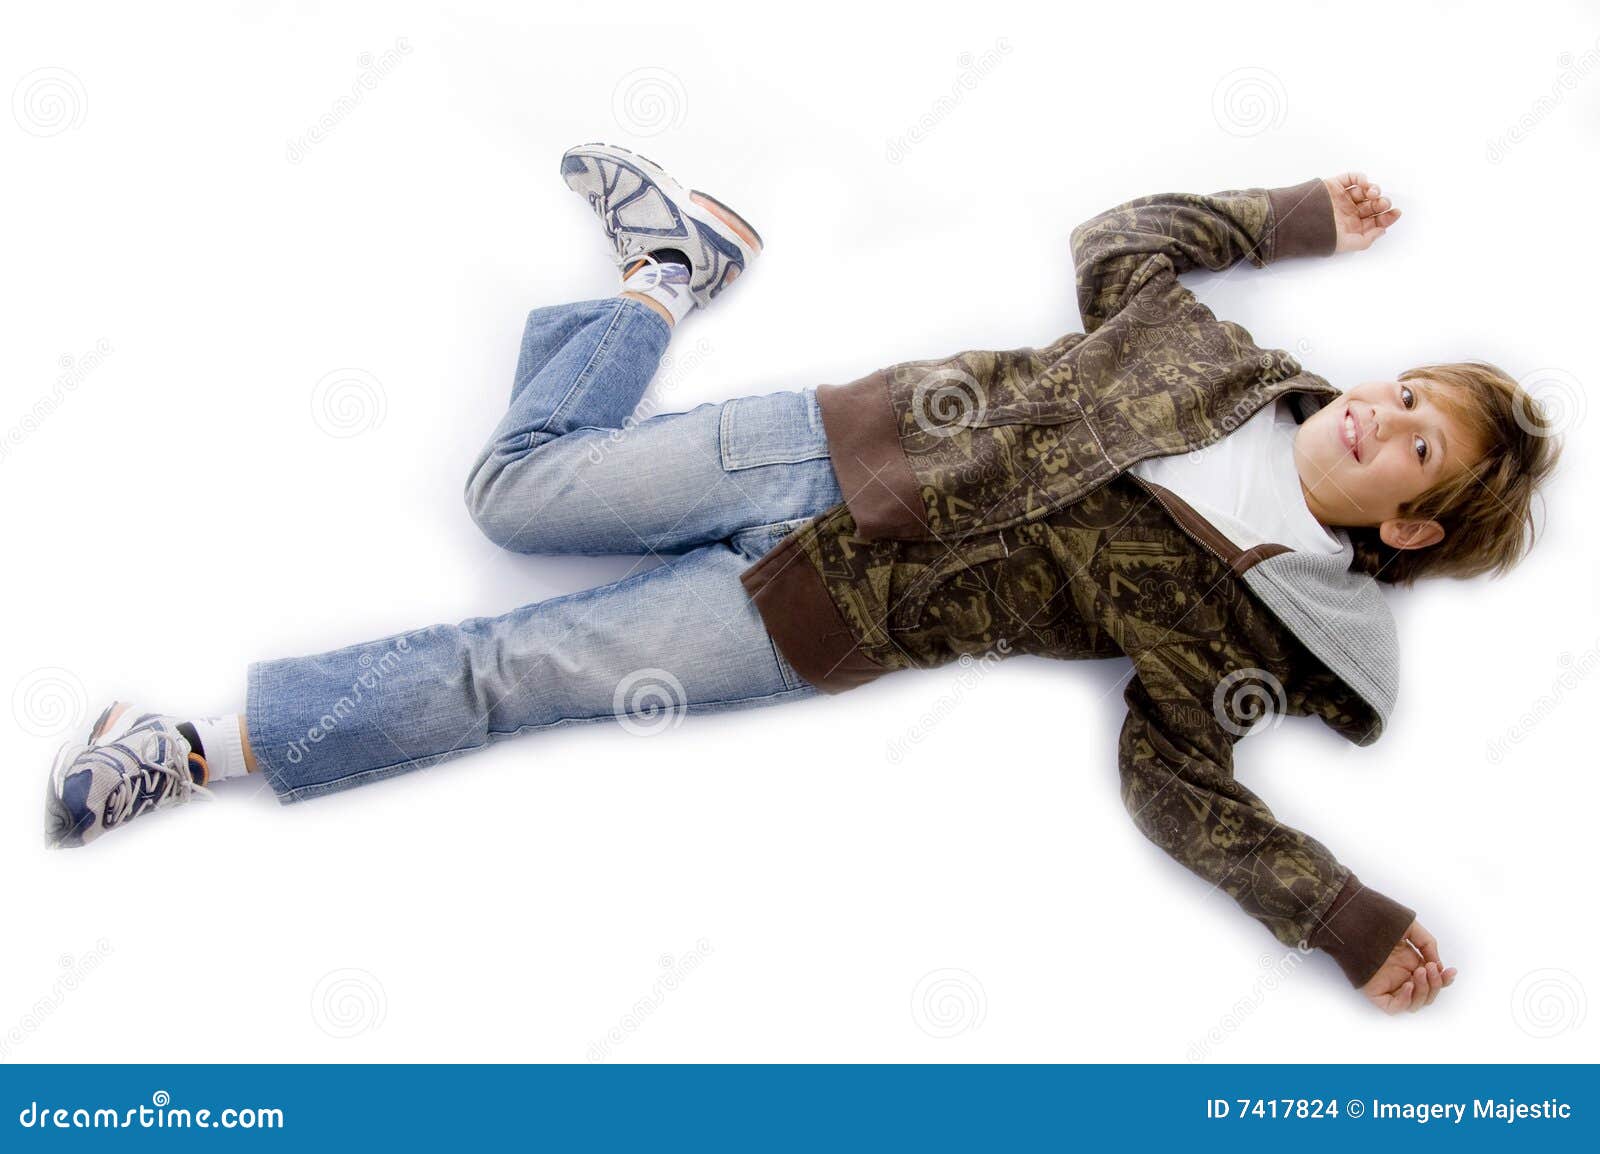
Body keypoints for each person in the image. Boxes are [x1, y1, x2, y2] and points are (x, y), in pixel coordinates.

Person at [45, 144, 1560, 1015]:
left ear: (1411, 527)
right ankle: (667, 275)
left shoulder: (1254, 628)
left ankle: (182, 751)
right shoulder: (1216, 362)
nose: (1381, 409)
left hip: (815, 624)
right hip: (823, 453)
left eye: (1416, 440)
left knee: (514, 674)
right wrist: (1292, 219)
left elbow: (1186, 788)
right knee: (510, 491)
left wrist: (1339, 914)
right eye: (1404, 386)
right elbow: (1123, 238)